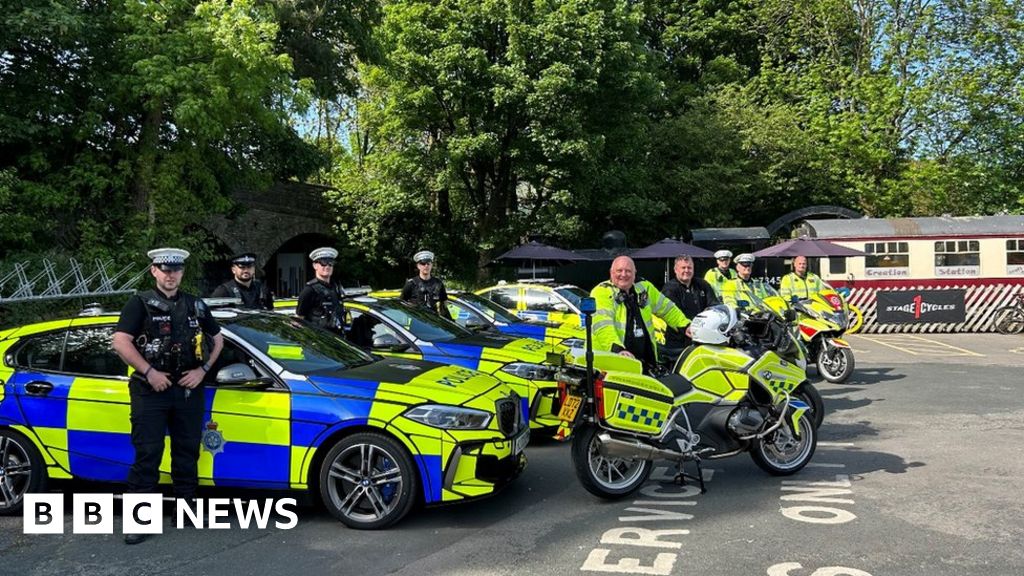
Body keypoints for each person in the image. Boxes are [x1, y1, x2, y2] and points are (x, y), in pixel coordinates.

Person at [111, 248, 223, 545]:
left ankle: (186, 511)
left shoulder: (195, 304)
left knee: (187, 452)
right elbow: (121, 342)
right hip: (150, 389)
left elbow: (218, 338)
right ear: (154, 271)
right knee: (148, 454)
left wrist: (203, 370)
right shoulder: (139, 304)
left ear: (182, 272)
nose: (171, 274)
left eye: (176, 270)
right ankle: (138, 521)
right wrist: (149, 372)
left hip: (188, 387)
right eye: (165, 269)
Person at [590, 256, 690, 374]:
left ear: (634, 273)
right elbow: (603, 326)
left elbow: (667, 308)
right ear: (611, 273)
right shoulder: (602, 292)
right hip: (611, 363)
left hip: (643, 362)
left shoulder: (643, 287)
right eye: (619, 271)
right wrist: (617, 349)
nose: (624, 274)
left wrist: (686, 326)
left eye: (628, 271)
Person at [661, 255, 720, 350]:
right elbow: (676, 315)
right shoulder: (669, 289)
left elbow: (714, 305)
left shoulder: (702, 284)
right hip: (678, 342)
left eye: (689, 268)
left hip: (704, 336)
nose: (687, 270)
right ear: (675, 270)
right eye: (683, 268)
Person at [296, 247, 345, 332]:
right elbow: (298, 321)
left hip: (336, 340)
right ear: (315, 265)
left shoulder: (335, 288)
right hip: (318, 341)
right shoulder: (309, 290)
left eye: (331, 263)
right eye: (323, 262)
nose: (327, 266)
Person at [401, 249, 453, 319]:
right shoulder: (411, 284)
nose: (426, 266)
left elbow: (444, 305)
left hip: (434, 323)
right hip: (416, 323)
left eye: (428, 263)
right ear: (418, 266)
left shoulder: (438, 284)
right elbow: (401, 304)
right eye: (423, 264)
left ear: (431, 265)